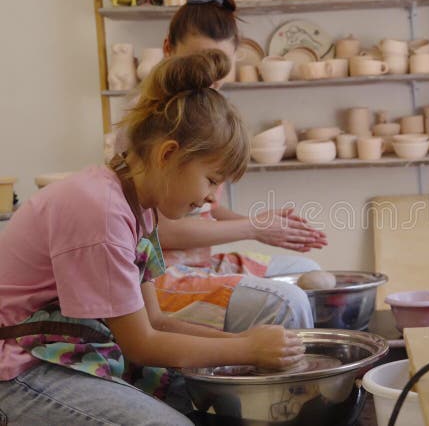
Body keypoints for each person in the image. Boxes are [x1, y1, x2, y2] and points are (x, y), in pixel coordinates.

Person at [0, 50, 306, 424]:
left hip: (66, 349)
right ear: (168, 154)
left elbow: (156, 322)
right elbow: (141, 344)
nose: (213, 197)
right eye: (211, 180)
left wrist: (246, 348)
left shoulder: (136, 206)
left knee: (213, 386)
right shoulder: (100, 210)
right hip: (18, 366)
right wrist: (246, 348)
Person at [114, 0, 328, 330]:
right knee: (288, 300)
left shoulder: (209, 109)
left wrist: (267, 225)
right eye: (198, 62)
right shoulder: (149, 122)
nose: (209, 80)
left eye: (220, 68)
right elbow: (159, 231)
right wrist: (253, 228)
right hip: (157, 274)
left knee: (309, 272)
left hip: (198, 261)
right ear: (168, 49)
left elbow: (204, 208)